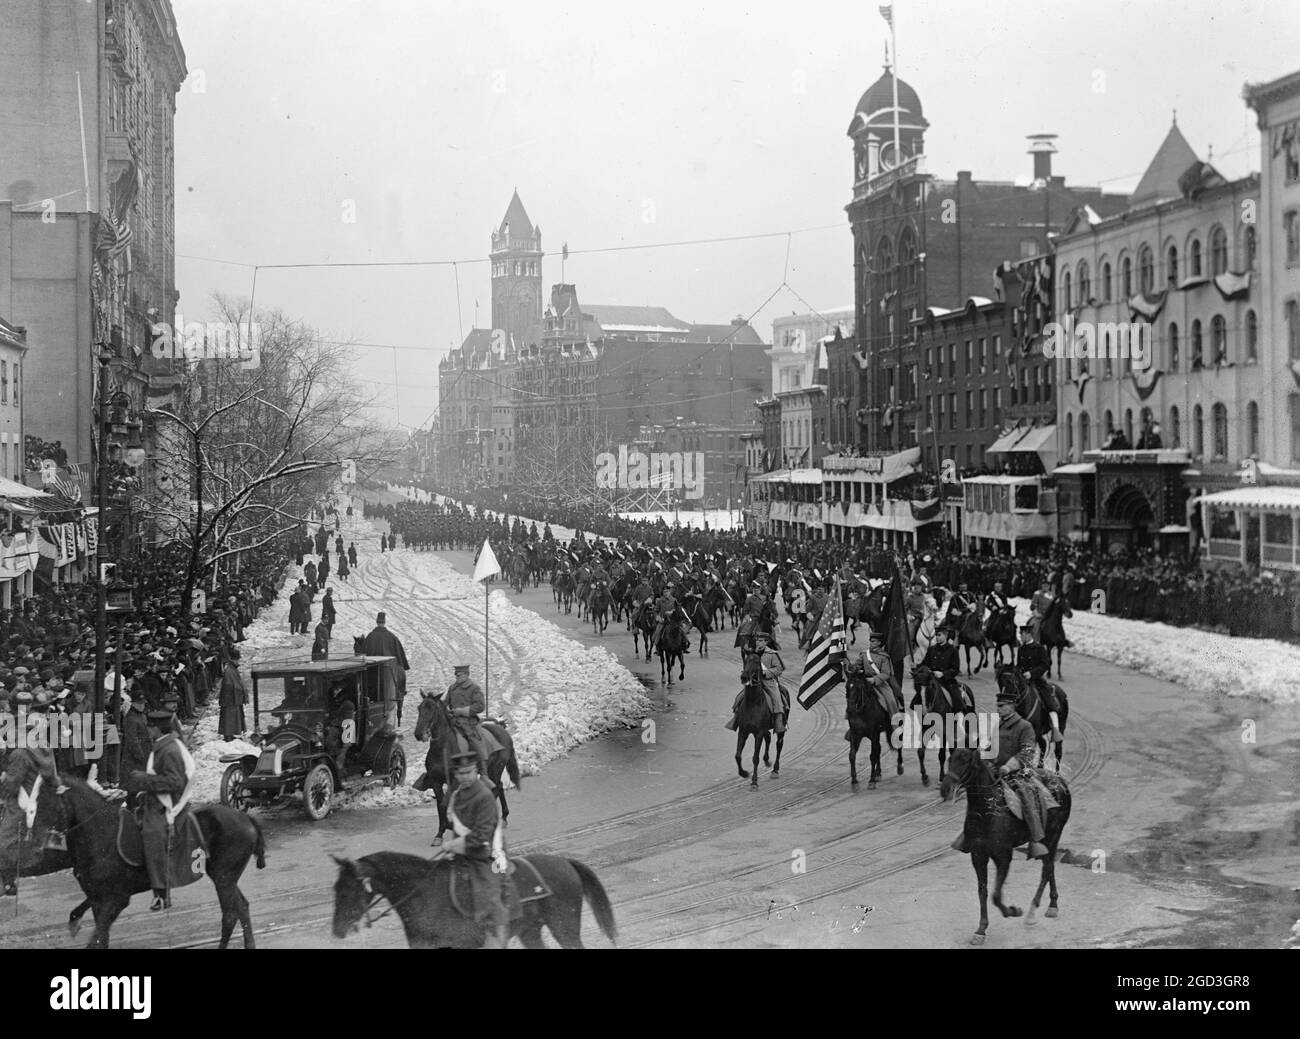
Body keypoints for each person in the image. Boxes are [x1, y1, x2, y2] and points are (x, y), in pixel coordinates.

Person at [951, 685, 1057, 858]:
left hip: (1018, 773)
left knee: (1026, 795)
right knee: (976, 794)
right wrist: (981, 759)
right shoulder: (998, 726)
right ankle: (968, 835)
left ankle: (1035, 838)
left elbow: (1027, 752)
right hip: (997, 772)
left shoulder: (1025, 727)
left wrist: (1009, 766)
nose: (998, 709)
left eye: (1001, 706)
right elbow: (991, 748)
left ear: (1011, 706)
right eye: (997, 706)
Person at [437, 751, 510, 948]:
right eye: (460, 773)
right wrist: (452, 849)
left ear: (476, 770)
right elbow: (458, 829)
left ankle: (496, 938)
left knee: (488, 890)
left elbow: (481, 836)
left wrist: (453, 845)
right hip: (464, 853)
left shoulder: (485, 796)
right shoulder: (456, 796)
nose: (465, 777)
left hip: (490, 855)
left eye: (469, 772)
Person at [128, 712, 195, 911]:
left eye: (150, 727)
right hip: (155, 797)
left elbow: (175, 782)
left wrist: (143, 780)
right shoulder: (163, 746)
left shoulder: (170, 750)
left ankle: (161, 892)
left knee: (152, 834)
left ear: (157, 728)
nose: (148, 731)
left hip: (169, 804)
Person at [0, 707, 62, 896]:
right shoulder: (45, 751)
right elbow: (53, 779)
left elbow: (11, 786)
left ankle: (9, 882)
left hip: (21, 804)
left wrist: (3, 778)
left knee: (3, 841)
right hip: (42, 804)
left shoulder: (20, 753)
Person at [441, 664, 503, 785]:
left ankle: (484, 774)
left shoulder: (474, 688)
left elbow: (480, 706)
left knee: (475, 743)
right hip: (453, 721)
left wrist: (462, 711)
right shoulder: (452, 688)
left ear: (466, 674)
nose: (457, 677)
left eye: (459, 675)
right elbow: (445, 703)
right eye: (456, 675)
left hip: (468, 723)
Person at [725, 631, 786, 733]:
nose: (758, 643)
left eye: (761, 641)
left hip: (768, 682)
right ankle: (736, 717)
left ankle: (778, 721)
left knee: (777, 699)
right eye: (757, 640)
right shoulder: (751, 653)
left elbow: (779, 668)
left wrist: (766, 673)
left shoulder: (772, 654)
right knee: (740, 697)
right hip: (753, 681)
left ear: (766, 642)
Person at [1015, 625, 1064, 743]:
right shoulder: (1021, 649)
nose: (1020, 636)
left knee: (1050, 702)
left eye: (1022, 634)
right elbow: (1019, 666)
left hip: (1037, 681)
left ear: (1028, 634)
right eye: (1020, 634)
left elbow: (1045, 664)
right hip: (1024, 682)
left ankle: (1055, 729)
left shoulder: (1039, 648)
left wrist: (1032, 673)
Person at [913, 627, 971, 711]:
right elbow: (924, 664)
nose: (937, 637)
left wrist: (943, 674)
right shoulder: (931, 649)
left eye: (939, 635)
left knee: (957, 699)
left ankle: (959, 716)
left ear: (946, 636)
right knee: (919, 697)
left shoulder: (953, 651)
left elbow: (955, 669)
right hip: (931, 680)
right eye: (936, 635)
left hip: (947, 681)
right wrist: (916, 666)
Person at [218, 648, 247, 741]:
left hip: (233, 697)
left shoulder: (232, 668)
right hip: (230, 698)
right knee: (229, 717)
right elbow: (229, 684)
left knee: (234, 717)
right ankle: (228, 735)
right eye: (237, 659)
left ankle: (231, 733)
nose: (237, 661)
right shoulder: (229, 670)